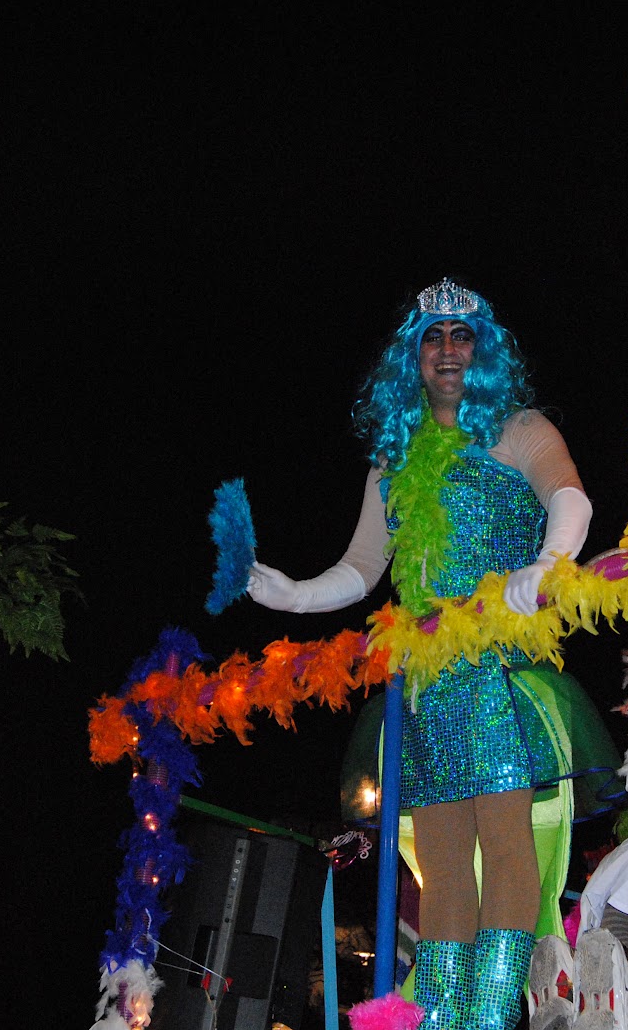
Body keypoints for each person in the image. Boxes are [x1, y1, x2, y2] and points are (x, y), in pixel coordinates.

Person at [247, 277, 595, 1030]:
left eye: (461, 335)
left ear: (486, 351)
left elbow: (571, 499)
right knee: (439, 864)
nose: (447, 350)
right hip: (428, 680)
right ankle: (438, 1019)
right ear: (413, 357)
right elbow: (361, 568)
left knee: (506, 845)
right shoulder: (393, 460)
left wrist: (547, 563)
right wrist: (292, 595)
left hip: (500, 666)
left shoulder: (520, 428)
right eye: (432, 337)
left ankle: (491, 1015)